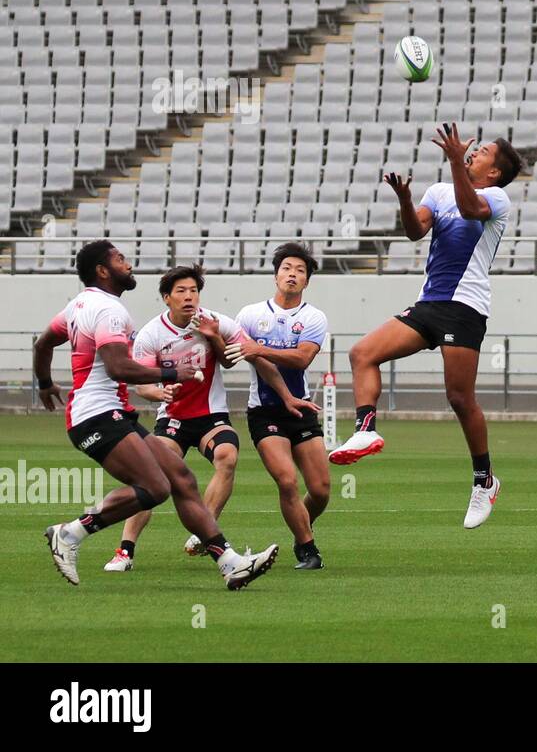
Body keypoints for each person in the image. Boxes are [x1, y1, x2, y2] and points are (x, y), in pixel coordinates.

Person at [35, 240, 277, 589]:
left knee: (181, 479)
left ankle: (230, 563)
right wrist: (171, 373)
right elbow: (119, 368)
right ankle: (70, 533)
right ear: (103, 271)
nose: (128, 263)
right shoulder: (109, 311)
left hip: (112, 413)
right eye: (120, 259)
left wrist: (45, 382)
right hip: (96, 416)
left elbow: (43, 344)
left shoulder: (78, 304)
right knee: (154, 487)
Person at [329, 125, 523, 531]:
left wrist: (455, 161)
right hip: (428, 304)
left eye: (483, 151)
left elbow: (471, 211)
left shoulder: (496, 198)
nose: (473, 151)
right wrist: (404, 200)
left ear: (493, 173)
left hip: (464, 308)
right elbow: (415, 230)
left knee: (458, 397)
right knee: (362, 353)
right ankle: (365, 429)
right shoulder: (437, 191)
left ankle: (484, 479)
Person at [104, 264, 316, 572]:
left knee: (227, 455)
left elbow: (250, 356)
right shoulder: (152, 333)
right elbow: (142, 383)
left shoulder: (216, 322)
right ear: (166, 298)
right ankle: (125, 551)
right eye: (181, 291)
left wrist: (285, 395)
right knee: (151, 476)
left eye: (194, 290)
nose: (189, 297)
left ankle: (202, 528)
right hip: (173, 420)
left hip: (211, 417)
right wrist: (159, 394)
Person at [225, 243, 331, 569]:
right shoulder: (250, 314)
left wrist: (259, 349)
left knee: (322, 490)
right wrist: (253, 350)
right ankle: (307, 548)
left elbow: (301, 358)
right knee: (287, 480)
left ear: (307, 282)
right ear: (276, 275)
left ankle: (299, 523)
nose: (293, 275)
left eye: (300, 271)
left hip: (302, 409)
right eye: (287, 268)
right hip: (264, 411)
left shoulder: (314, 317)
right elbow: (239, 353)